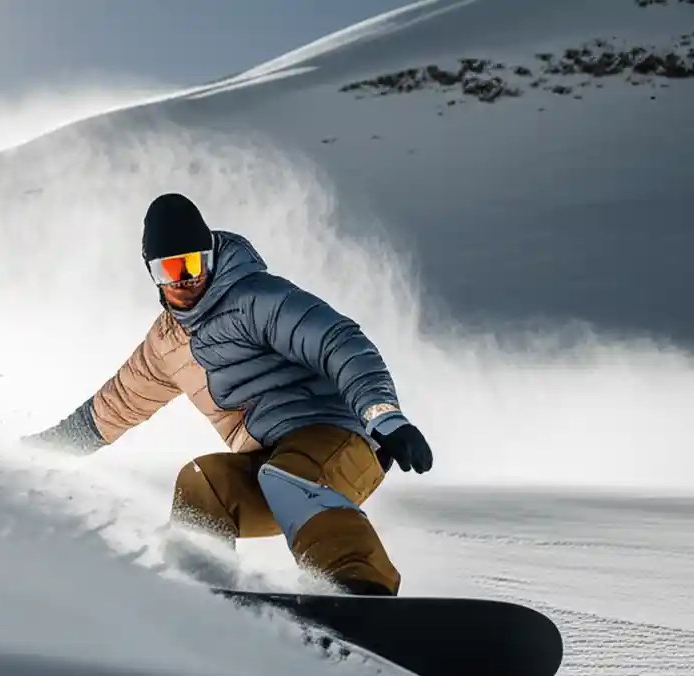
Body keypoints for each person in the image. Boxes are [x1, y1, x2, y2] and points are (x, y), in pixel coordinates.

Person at [23, 193, 433, 596]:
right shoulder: (165, 345)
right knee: (202, 482)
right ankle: (202, 596)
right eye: (171, 269)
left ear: (212, 256)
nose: (185, 278)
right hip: (270, 465)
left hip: (342, 443)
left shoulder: (257, 298)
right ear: (153, 274)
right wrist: (30, 456)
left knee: (290, 473)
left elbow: (338, 343)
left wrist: (385, 417)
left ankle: (363, 589)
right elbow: (112, 408)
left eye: (193, 263)